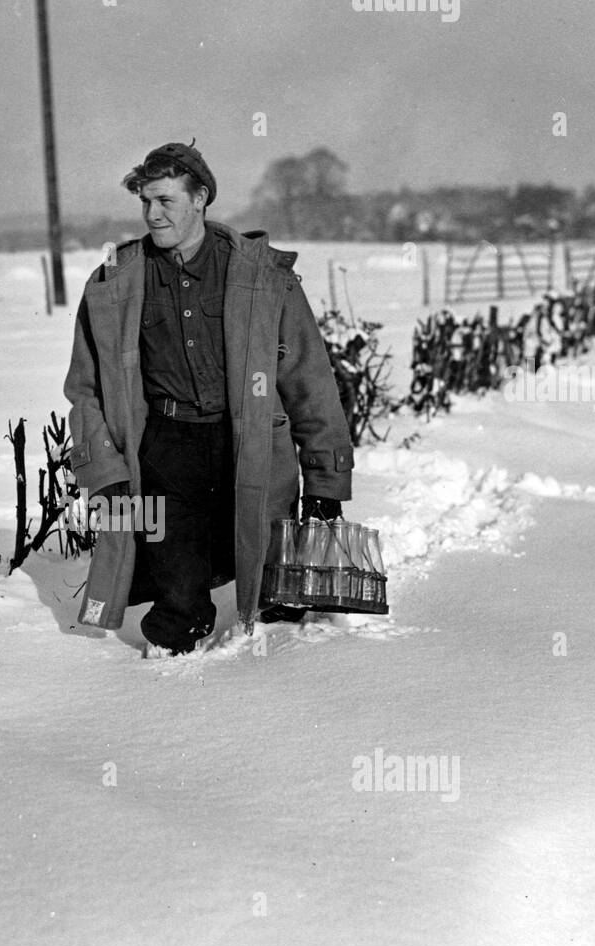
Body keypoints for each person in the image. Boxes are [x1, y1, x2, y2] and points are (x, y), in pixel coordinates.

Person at [63, 141, 354, 657]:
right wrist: (104, 472)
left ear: (200, 199)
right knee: (176, 592)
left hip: (250, 439)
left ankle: (280, 651)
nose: (153, 214)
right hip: (166, 447)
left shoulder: (261, 276)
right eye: (146, 202)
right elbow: (84, 389)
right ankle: (182, 635)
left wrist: (326, 481)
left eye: (166, 201)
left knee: (270, 577)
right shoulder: (116, 282)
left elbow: (309, 379)